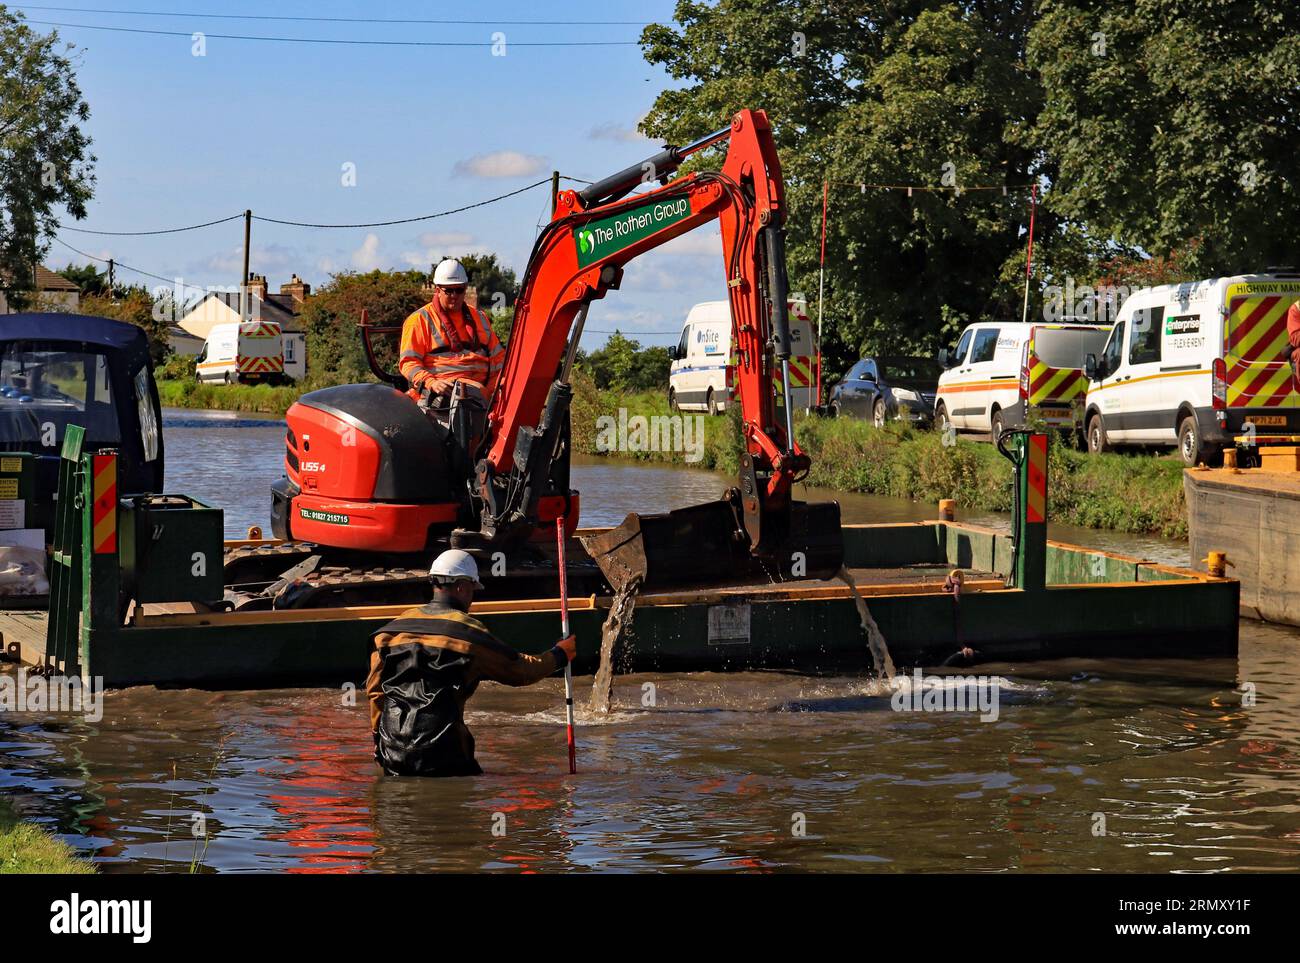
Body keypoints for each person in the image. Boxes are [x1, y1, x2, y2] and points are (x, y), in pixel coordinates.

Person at [365, 549, 577, 777]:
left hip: (393, 754)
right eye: (472, 590)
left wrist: (380, 744)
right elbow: (519, 671)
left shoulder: (388, 634)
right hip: (444, 755)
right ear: (462, 587)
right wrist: (558, 655)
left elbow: (375, 693)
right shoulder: (469, 636)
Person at [398, 258, 506, 407]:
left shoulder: (480, 317)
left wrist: (493, 392)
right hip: (440, 397)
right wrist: (431, 382)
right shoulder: (419, 320)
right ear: (437, 290)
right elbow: (408, 363)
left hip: (481, 397)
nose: (454, 295)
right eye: (448, 290)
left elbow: (499, 359)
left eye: (459, 290)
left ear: (465, 288)